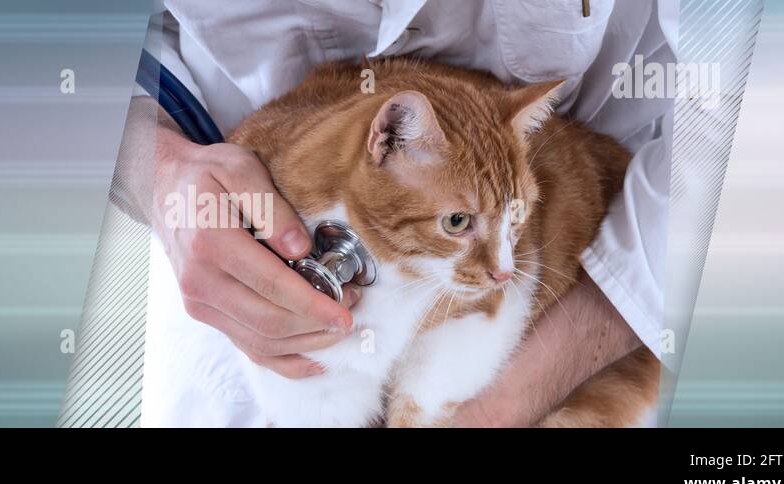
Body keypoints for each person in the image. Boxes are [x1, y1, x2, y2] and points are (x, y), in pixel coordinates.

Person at [123, 0, 673, 427]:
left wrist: (501, 404)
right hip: (231, 215)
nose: (499, 266)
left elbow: (735, 131)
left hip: (619, 248)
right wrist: (166, 171)